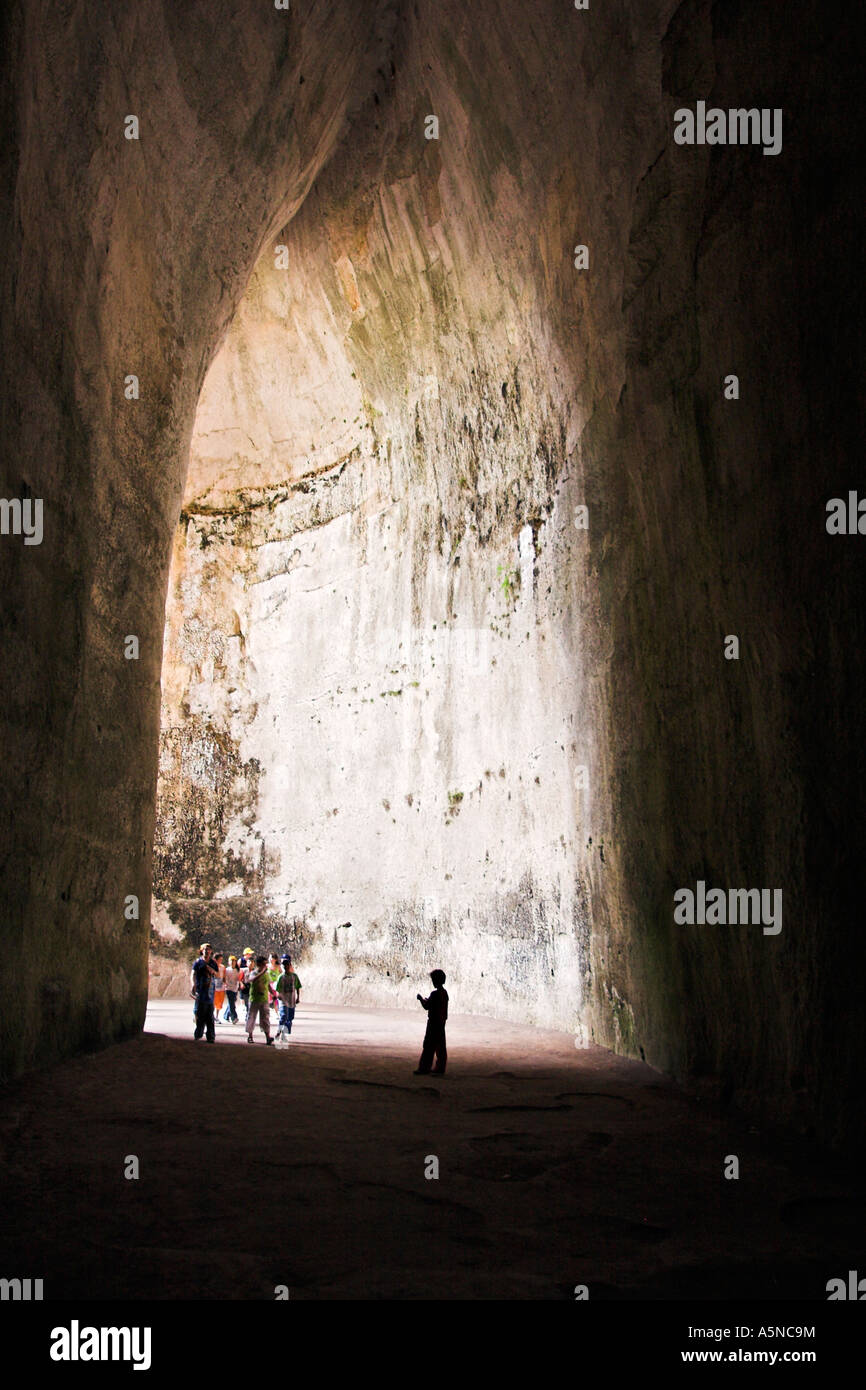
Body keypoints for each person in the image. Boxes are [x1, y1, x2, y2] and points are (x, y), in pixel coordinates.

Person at [414, 969, 448, 1075]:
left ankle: (424, 1068)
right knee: (441, 1047)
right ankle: (440, 1068)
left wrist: (420, 999)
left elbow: (426, 1006)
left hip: (433, 1024)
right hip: (441, 1023)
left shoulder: (435, 994)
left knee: (428, 1046)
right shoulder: (444, 993)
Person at [191, 943, 219, 1043]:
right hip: (201, 991)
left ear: (211, 951)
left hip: (210, 992)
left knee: (210, 1015)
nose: (207, 951)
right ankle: (198, 1033)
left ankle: (211, 1036)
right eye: (205, 949)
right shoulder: (198, 962)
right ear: (201, 950)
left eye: (209, 949)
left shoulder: (213, 963)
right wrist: (193, 984)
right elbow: (193, 974)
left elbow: (217, 974)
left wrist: (212, 971)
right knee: (200, 1013)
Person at [246, 956, 274, 1045]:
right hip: (254, 999)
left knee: (265, 1018)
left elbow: (268, 985)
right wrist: (262, 973)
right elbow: (251, 980)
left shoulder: (266, 974)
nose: (265, 966)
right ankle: (250, 1036)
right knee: (252, 1017)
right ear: (258, 964)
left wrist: (273, 994)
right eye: (264, 964)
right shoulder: (254, 973)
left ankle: (268, 1037)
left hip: (264, 999)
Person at [275, 954, 302, 1045]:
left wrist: (298, 997)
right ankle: (282, 1034)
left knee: (290, 1018)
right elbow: (277, 989)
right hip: (283, 1001)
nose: (285, 966)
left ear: (289, 965)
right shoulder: (281, 977)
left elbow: (298, 986)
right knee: (283, 1017)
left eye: (287, 964)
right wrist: (279, 996)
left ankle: (281, 1031)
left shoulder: (294, 976)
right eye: (283, 965)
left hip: (291, 1000)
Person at [238, 948, 255, 1022]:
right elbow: (239, 978)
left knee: (251, 1003)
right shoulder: (243, 970)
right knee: (247, 1003)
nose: (251, 964)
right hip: (245, 987)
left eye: (252, 962)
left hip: (252, 988)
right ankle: (247, 1015)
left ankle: (249, 1016)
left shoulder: (255, 971)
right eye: (249, 962)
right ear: (247, 963)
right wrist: (241, 984)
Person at [223, 955, 240, 1023]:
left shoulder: (237, 970)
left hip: (235, 988)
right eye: (231, 961)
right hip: (228, 988)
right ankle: (234, 1017)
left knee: (231, 1003)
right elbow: (224, 979)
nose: (233, 962)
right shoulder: (227, 970)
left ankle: (226, 1015)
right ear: (228, 962)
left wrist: (238, 986)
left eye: (234, 961)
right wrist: (225, 985)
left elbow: (239, 979)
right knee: (232, 1003)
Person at [212, 952, 226, 1023]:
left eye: (221, 959)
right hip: (213, 986)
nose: (220, 961)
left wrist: (225, 982)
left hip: (221, 986)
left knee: (219, 1002)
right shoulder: (212, 966)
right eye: (219, 959)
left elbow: (224, 976)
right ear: (215, 960)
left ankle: (217, 1016)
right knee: (213, 1002)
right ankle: (212, 1016)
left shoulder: (223, 967)